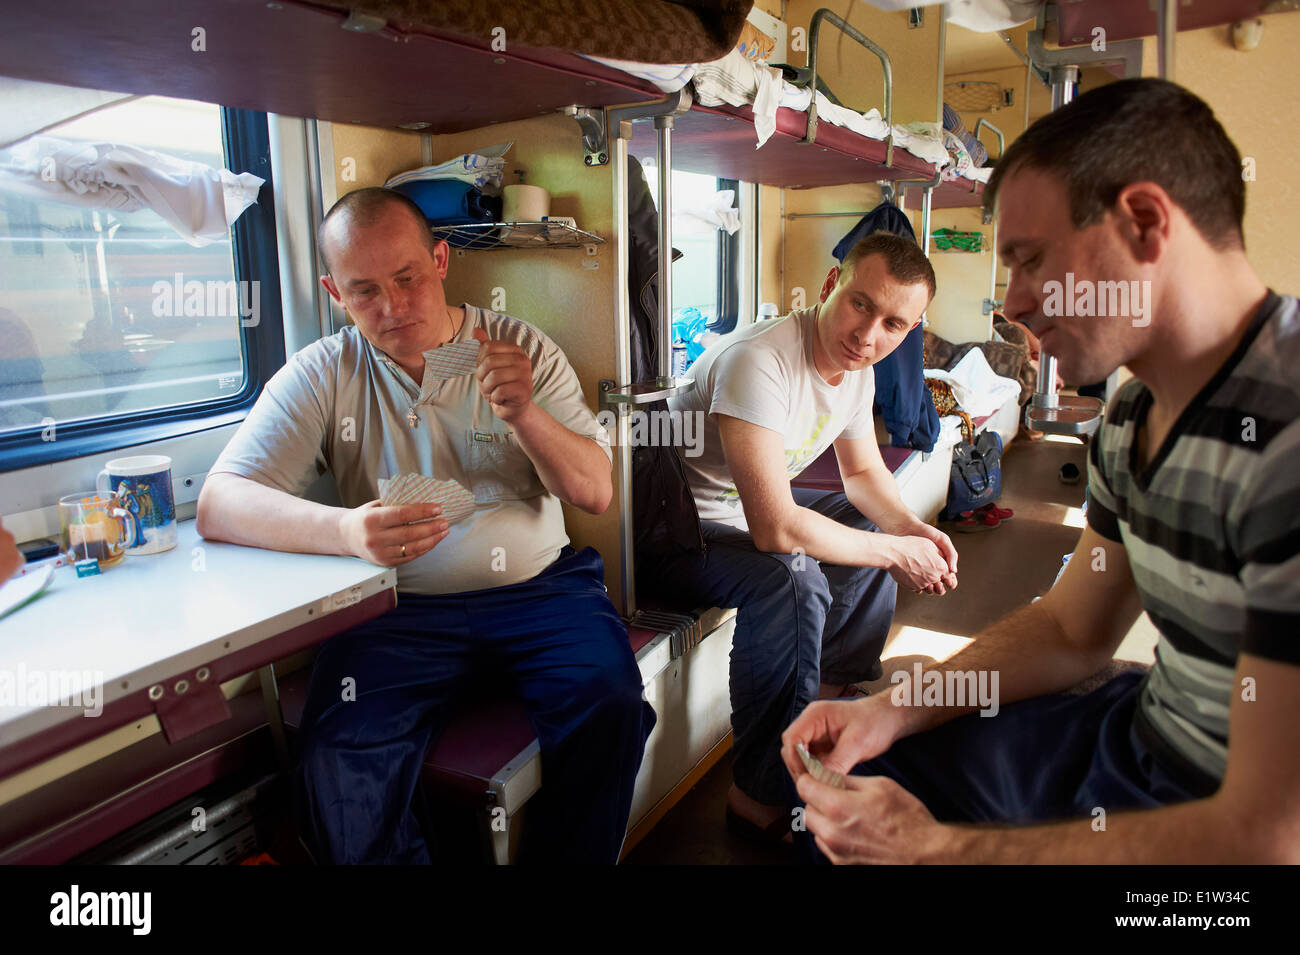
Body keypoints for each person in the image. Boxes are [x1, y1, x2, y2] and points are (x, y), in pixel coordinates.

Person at [783, 78, 1300, 864]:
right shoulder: (1129, 420)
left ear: (1146, 222)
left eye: (1030, 261)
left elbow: (1267, 839)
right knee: (860, 774)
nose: (1013, 304)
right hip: (1143, 739)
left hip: (1230, 837)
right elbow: (1071, 628)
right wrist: (897, 707)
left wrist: (940, 849)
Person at [197, 187, 655, 864]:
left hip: (540, 594)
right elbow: (219, 501)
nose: (391, 306)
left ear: (441, 260)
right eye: (364, 291)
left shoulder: (519, 347)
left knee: (611, 703)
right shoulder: (328, 370)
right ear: (334, 291)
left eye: (407, 278)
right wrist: (347, 532)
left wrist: (525, 413)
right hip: (396, 610)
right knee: (336, 754)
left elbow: (592, 491)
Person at [644, 231, 958, 843]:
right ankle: (759, 794)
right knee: (793, 578)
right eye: (860, 304)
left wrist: (912, 529)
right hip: (674, 529)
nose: (870, 335)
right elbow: (777, 527)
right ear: (827, 289)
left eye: (894, 324)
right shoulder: (760, 359)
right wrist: (895, 553)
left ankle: (829, 699)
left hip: (740, 514)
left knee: (865, 519)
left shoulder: (858, 367)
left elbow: (865, 475)